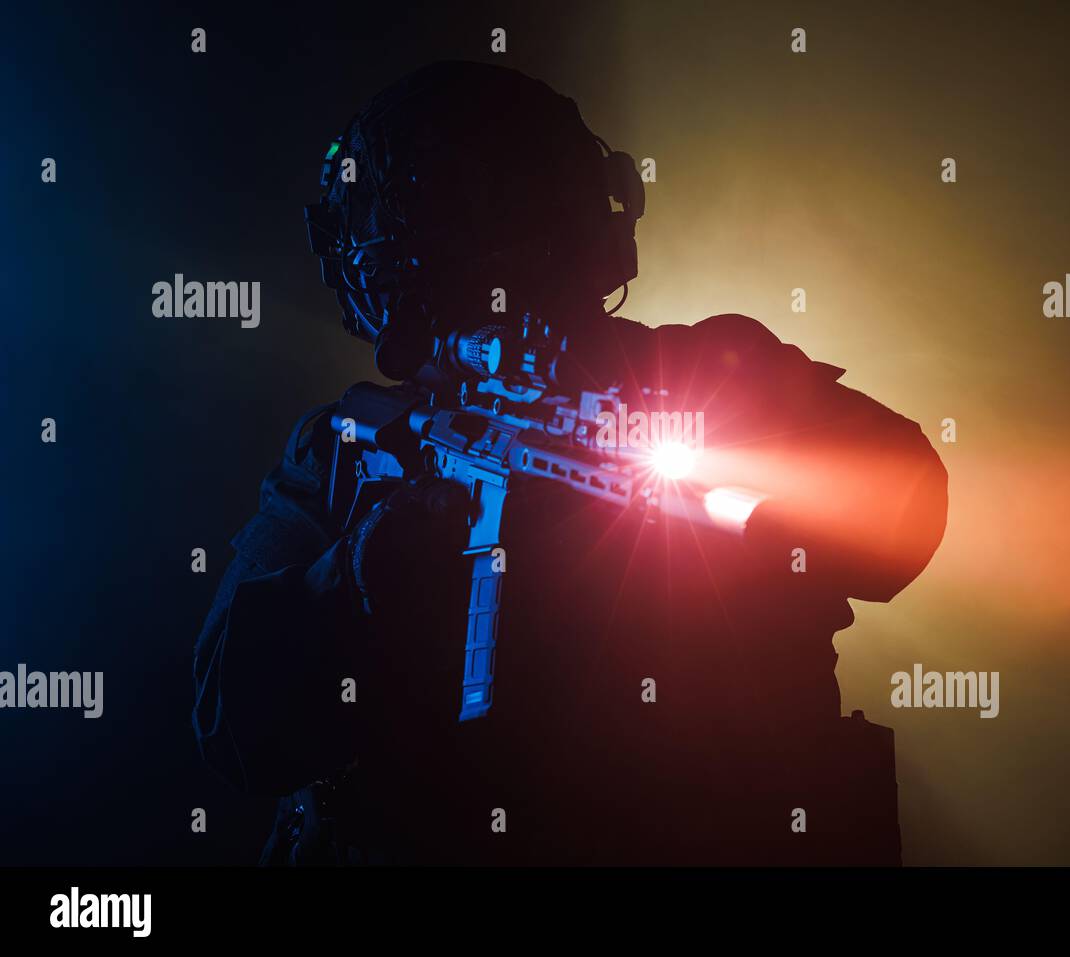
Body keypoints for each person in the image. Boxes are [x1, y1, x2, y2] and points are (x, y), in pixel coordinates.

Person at [193, 61, 947, 865]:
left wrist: (738, 504)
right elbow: (230, 726)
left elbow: (902, 511)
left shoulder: (712, 376)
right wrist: (355, 579)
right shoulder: (350, 444)